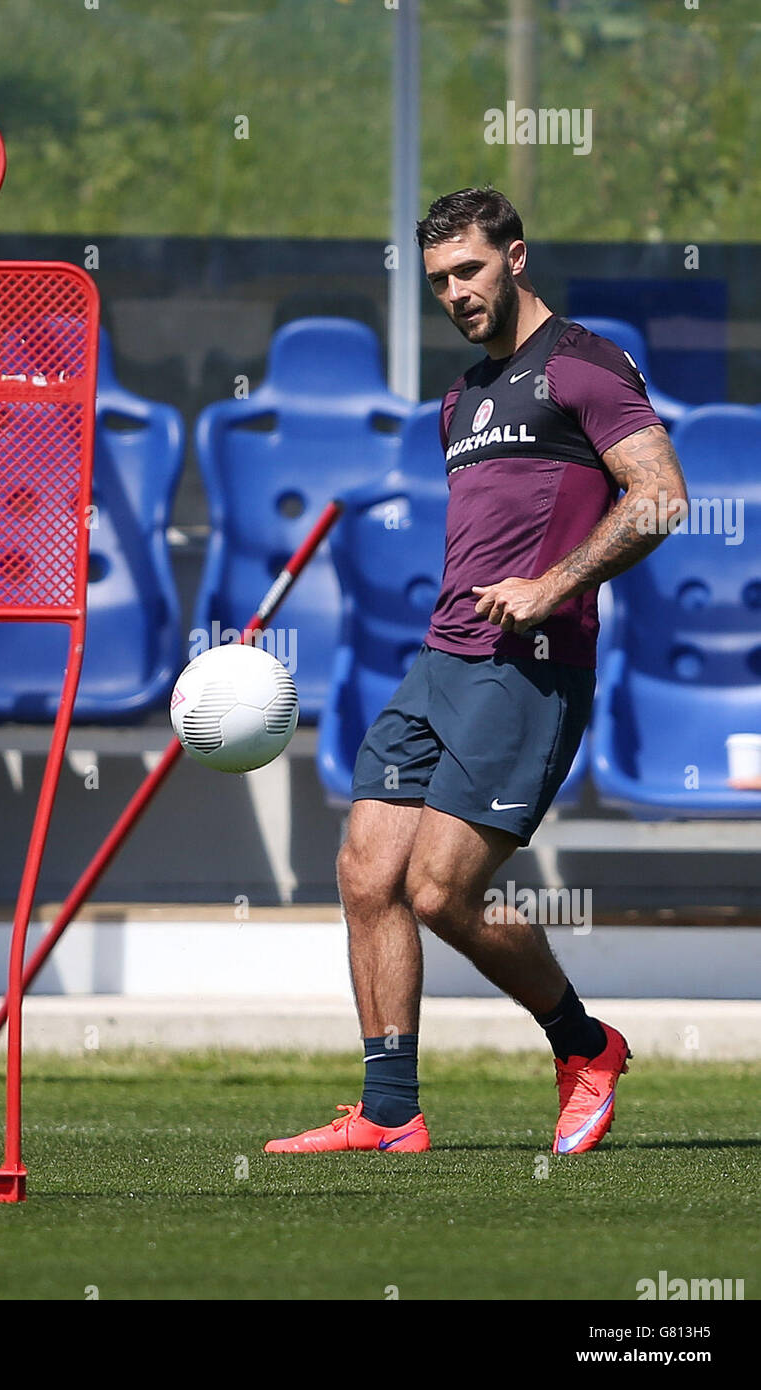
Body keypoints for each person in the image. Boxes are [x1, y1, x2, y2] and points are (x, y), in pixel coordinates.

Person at [265, 186, 688, 1156]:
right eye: (437, 280)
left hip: (529, 672)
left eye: (468, 269)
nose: (454, 291)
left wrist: (549, 585)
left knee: (437, 891)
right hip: (439, 663)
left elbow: (660, 496)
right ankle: (386, 1110)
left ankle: (584, 1046)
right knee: (364, 868)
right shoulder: (460, 396)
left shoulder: (582, 366)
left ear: (514, 257)